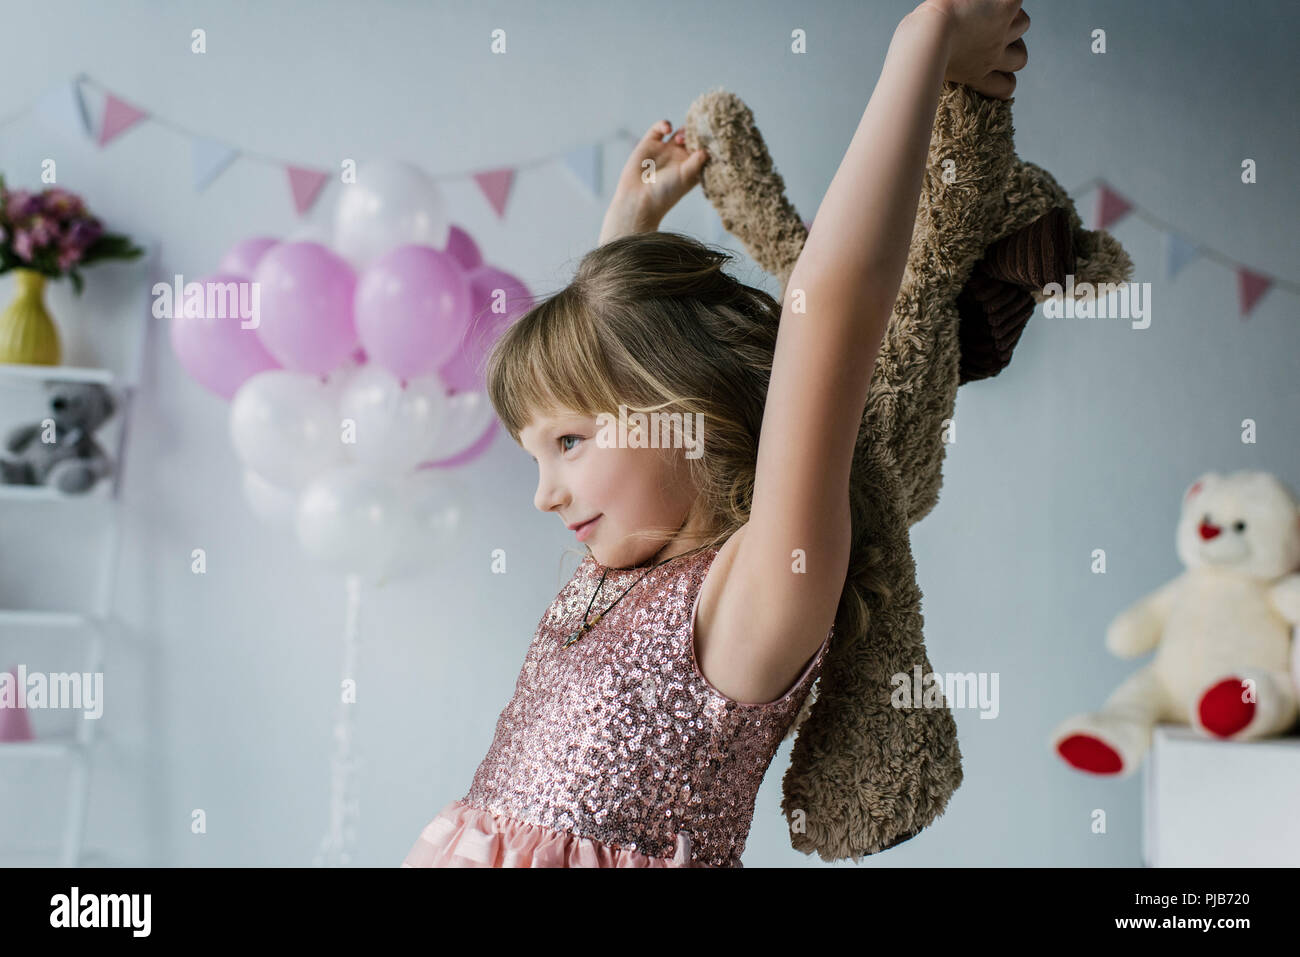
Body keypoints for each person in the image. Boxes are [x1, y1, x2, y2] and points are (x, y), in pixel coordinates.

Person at [403, 0, 1031, 867]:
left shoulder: (755, 591)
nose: (544, 494)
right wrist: (625, 241)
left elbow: (832, 308)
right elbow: (616, 391)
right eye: (537, 455)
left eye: (568, 446)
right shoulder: (625, 575)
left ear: (673, 407)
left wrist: (925, 41)